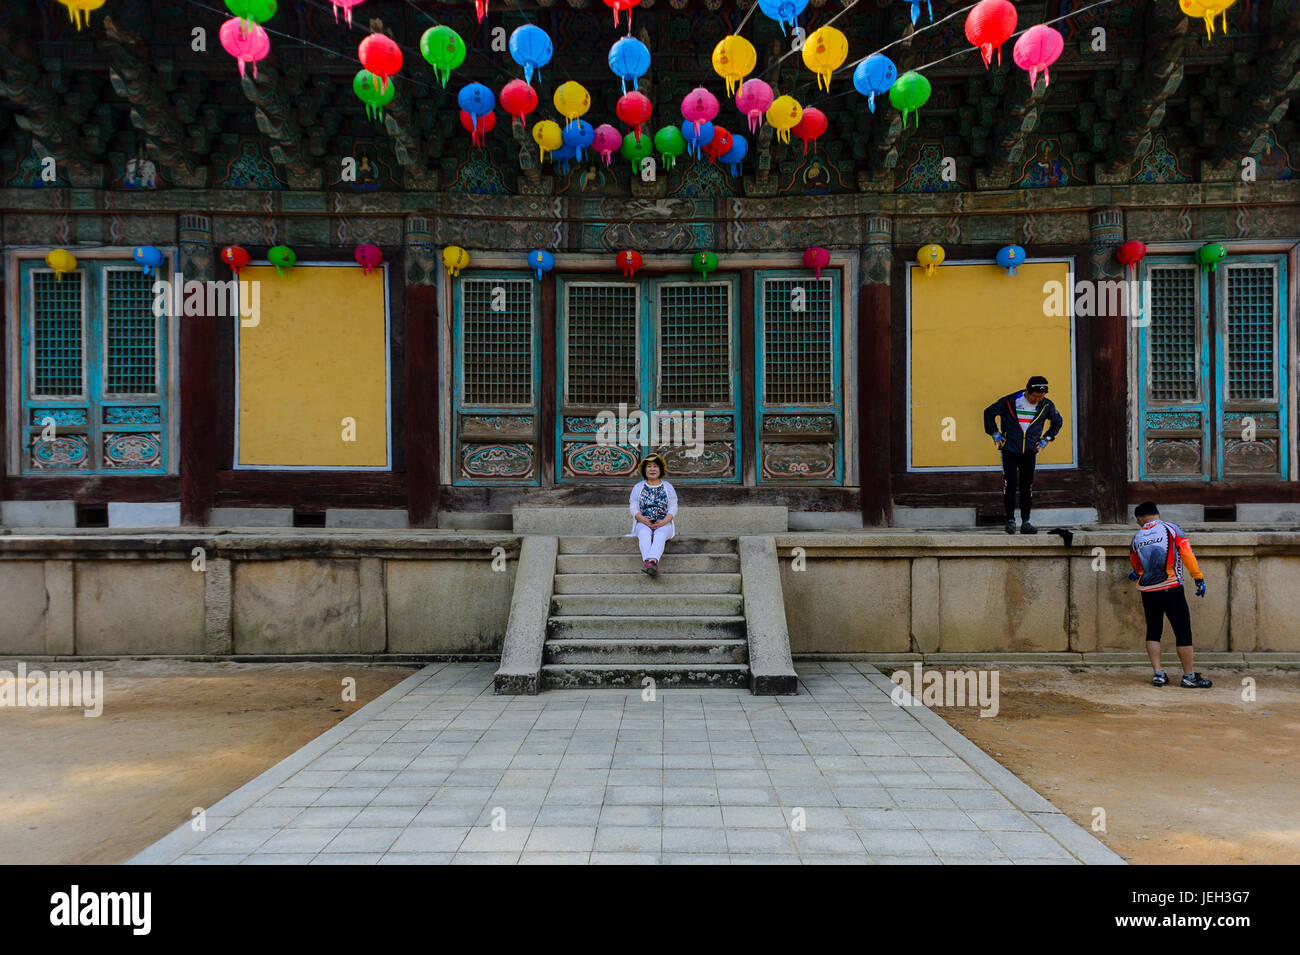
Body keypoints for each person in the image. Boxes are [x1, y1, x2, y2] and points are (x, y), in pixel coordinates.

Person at [1128, 501, 1211, 688]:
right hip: (1171, 586)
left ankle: (1158, 674)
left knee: (1153, 631)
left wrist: (1139, 574)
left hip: (1148, 590)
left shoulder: (1137, 536)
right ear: (1158, 513)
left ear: (1140, 518)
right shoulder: (1172, 529)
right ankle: (1189, 676)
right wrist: (1198, 577)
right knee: (1183, 632)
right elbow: (1187, 554)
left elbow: (1136, 564)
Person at [983, 375, 1064, 535]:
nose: (1037, 400)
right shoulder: (1009, 401)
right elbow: (988, 412)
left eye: (1041, 397)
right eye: (1035, 396)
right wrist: (995, 434)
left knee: (1027, 487)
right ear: (1027, 390)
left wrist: (1046, 439)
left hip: (1029, 452)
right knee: (1010, 484)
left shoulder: (1046, 405)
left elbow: (1057, 421)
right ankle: (1010, 521)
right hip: (1010, 450)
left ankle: (1026, 522)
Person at [626, 454, 676, 577]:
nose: (652, 469)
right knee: (644, 533)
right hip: (643, 522)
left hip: (664, 522)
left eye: (655, 466)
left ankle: (650, 562)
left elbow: (673, 507)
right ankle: (651, 564)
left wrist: (664, 521)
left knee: (660, 534)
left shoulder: (668, 487)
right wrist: (642, 519)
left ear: (660, 470)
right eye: (649, 466)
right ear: (644, 470)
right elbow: (633, 506)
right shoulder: (638, 487)